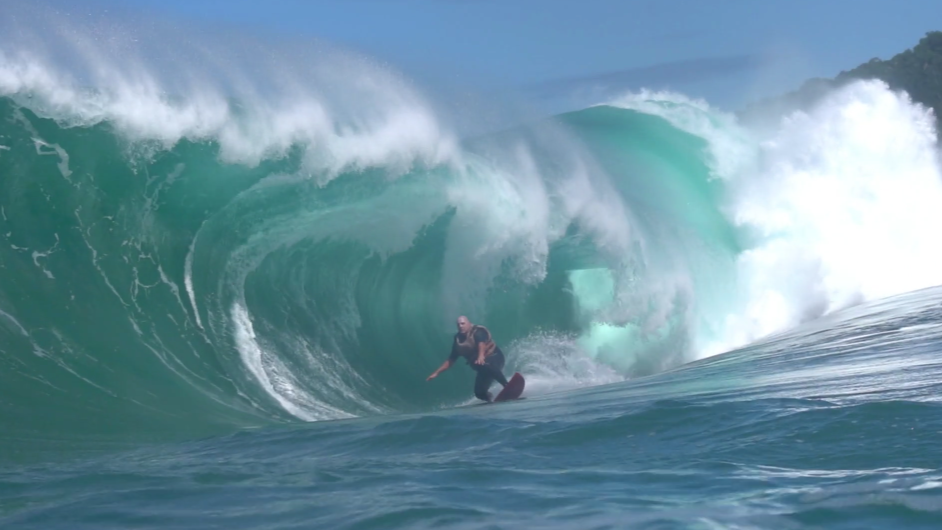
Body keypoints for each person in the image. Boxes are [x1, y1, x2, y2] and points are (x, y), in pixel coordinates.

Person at [426, 315, 509, 402]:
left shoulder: (477, 331)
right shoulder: (458, 341)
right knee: (479, 393)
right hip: (483, 368)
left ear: (469, 323)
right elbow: (451, 360)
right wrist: (437, 373)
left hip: (495, 358)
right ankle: (491, 399)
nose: (461, 326)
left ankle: (506, 385)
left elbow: (481, 343)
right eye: (458, 325)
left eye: (463, 323)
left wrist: (481, 356)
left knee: (487, 365)